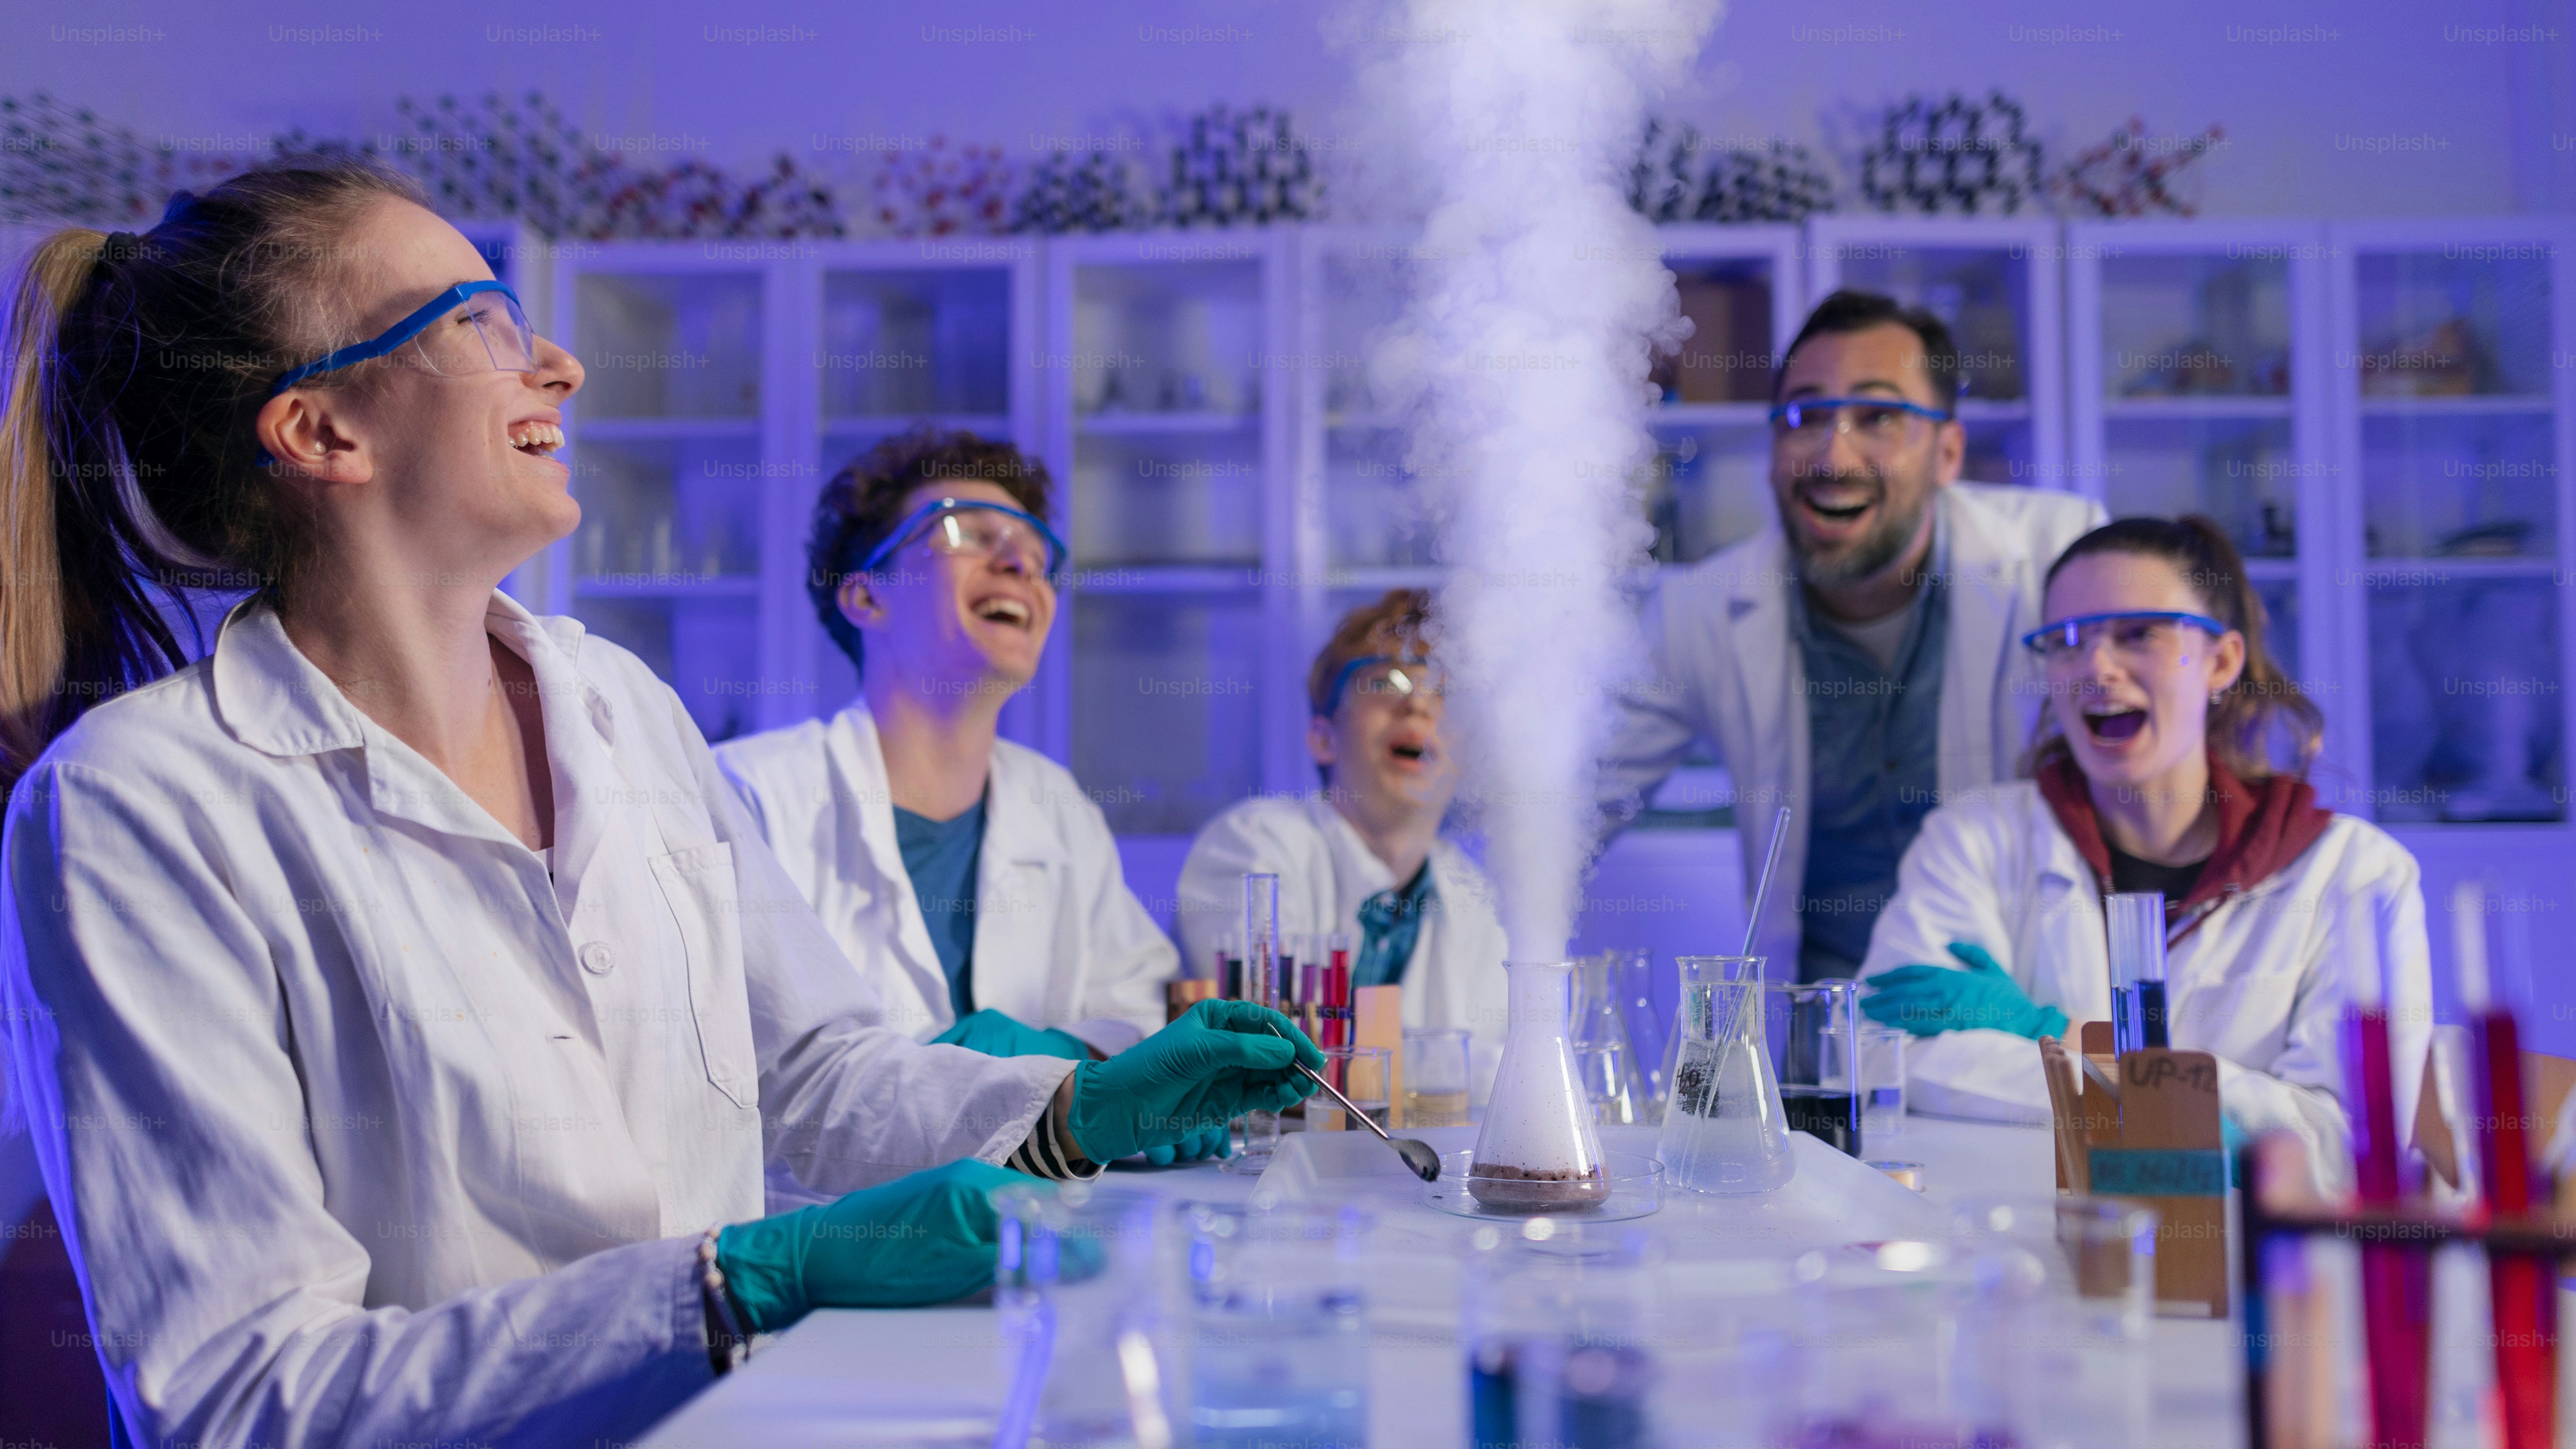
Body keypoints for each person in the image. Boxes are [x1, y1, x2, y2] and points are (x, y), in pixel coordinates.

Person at [0, 164, 1316, 1449]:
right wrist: (727, 1286)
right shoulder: (140, 806)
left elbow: (810, 1070)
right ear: (322, 431)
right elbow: (239, 1394)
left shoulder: (618, 706)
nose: (560, 364)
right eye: (479, 320)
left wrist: (1073, 1109)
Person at [1856, 516, 2435, 1181]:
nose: (2095, 667)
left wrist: (2057, 1035)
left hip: (2248, 1243)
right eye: (2066, 641)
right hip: (2024, 1227)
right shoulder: (1974, 838)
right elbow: (1886, 1052)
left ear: (2221, 662)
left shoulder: (2355, 873)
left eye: (2138, 634)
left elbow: (2347, 1143)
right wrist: (2198, 1108)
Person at [1598, 290, 2106, 982]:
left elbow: (2172, 767)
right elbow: (1571, 807)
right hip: (1820, 1028)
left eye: (1878, 417)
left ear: (1947, 452)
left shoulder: (2059, 560)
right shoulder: (1699, 611)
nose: (1832, 456)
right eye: (1804, 417)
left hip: (2021, 1017)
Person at [714, 430, 1175, 1065]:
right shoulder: (750, 797)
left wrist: (1070, 1053)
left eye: (1036, 555)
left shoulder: (1060, 808)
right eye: (970, 534)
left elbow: (1137, 1006)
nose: (1020, 565)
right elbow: (719, 1064)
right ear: (867, 596)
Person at [1177, 590, 1509, 1096]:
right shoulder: (1250, 846)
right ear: (1323, 737)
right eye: (1383, 681)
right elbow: (1278, 1050)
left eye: (1442, 689)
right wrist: (1457, 1063)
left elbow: (1504, 1073)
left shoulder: (1479, 902)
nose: (1417, 703)